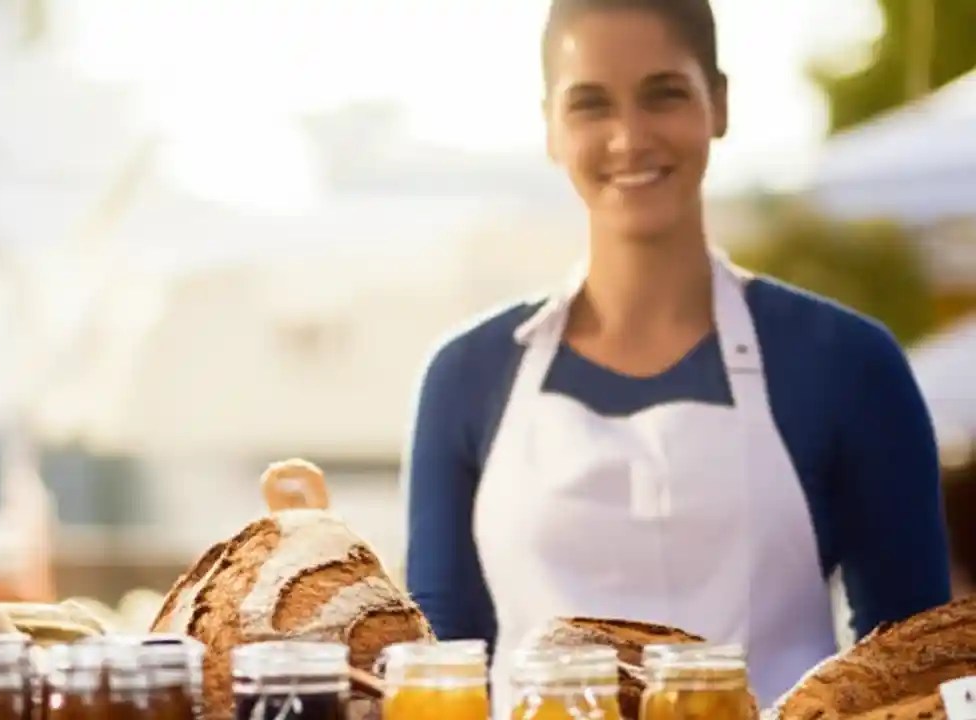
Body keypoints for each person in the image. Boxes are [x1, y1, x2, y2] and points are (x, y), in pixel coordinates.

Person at [402, 0, 953, 713]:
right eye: (590, 105)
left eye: (663, 94)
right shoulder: (466, 378)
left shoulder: (847, 363)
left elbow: (917, 667)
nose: (629, 138)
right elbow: (442, 668)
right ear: (550, 127)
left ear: (717, 103)